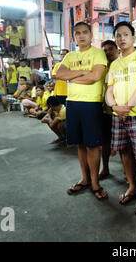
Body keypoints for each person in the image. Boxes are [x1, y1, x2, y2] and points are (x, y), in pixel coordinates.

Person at [105, 21, 136, 215]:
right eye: (118, 35)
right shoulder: (115, 63)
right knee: (124, 152)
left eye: (125, 34)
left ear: (134, 38)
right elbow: (109, 90)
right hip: (119, 115)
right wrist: (114, 106)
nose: (121, 38)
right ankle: (133, 187)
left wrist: (127, 106)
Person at [56, 21, 108, 200]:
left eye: (85, 32)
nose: (82, 35)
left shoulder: (98, 53)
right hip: (72, 104)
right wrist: (81, 73)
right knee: (79, 144)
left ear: (90, 34)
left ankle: (95, 182)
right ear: (74, 37)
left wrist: (72, 77)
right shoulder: (70, 56)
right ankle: (85, 179)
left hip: (90, 103)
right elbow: (59, 75)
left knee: (92, 145)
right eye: (78, 33)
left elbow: (95, 77)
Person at [99, 40, 120, 179]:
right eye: (105, 50)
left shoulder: (122, 66)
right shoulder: (102, 68)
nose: (108, 52)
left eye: (110, 49)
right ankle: (105, 168)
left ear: (117, 50)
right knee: (105, 142)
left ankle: (127, 172)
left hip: (120, 110)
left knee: (124, 146)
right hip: (105, 111)